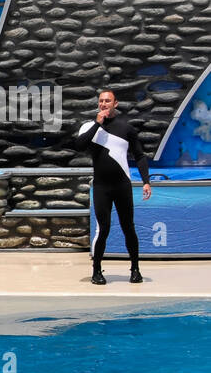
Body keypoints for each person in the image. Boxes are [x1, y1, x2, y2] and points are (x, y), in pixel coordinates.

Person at [59, 89, 152, 285]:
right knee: (104, 229)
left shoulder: (126, 129)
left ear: (115, 104)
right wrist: (97, 123)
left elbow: (140, 156)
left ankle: (135, 269)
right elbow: (79, 145)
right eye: (101, 101)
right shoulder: (89, 127)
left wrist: (146, 181)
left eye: (107, 101)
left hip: (122, 186)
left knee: (129, 228)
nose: (103, 104)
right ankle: (96, 271)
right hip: (102, 187)